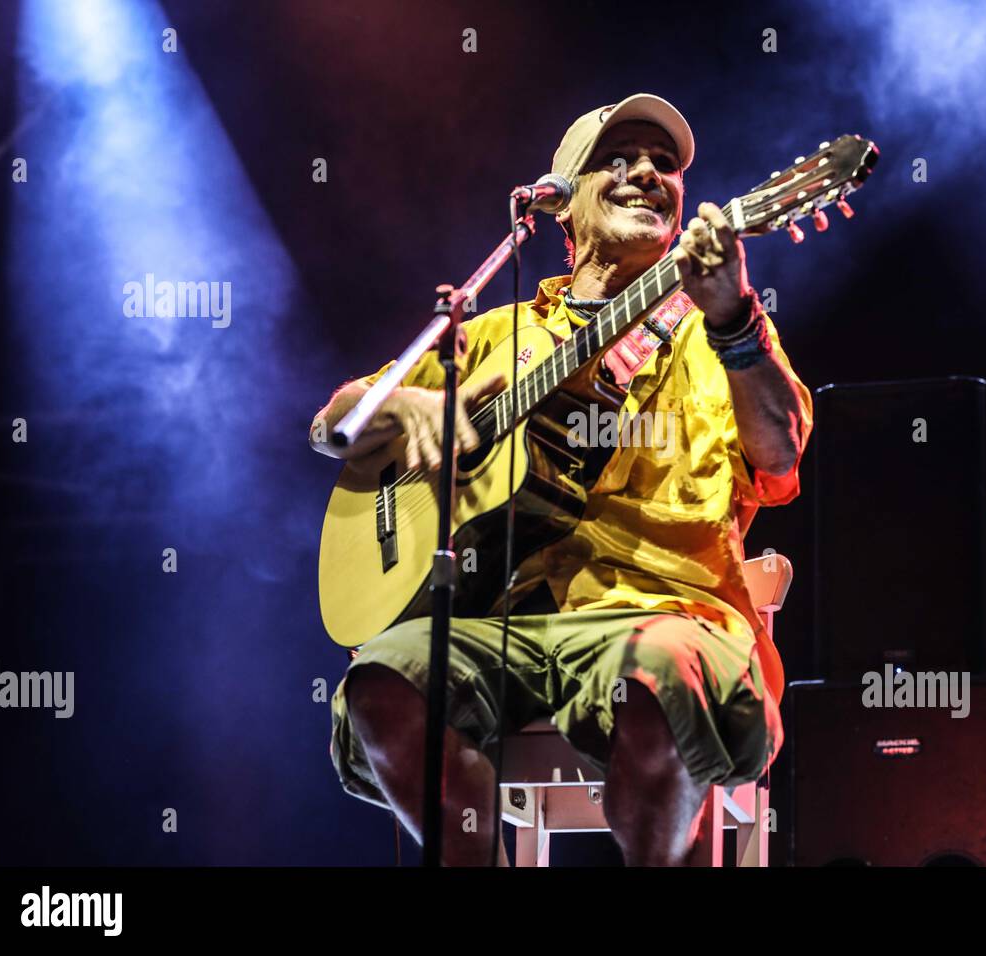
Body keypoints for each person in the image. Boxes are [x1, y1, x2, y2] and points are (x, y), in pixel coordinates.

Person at [311, 93, 812, 865]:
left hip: (668, 612)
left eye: (665, 164)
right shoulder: (496, 333)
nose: (647, 173)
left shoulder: (719, 326)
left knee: (658, 672)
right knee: (384, 677)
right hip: (510, 623)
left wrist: (736, 319)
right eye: (619, 160)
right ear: (559, 202)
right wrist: (417, 403)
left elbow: (780, 455)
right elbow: (334, 425)